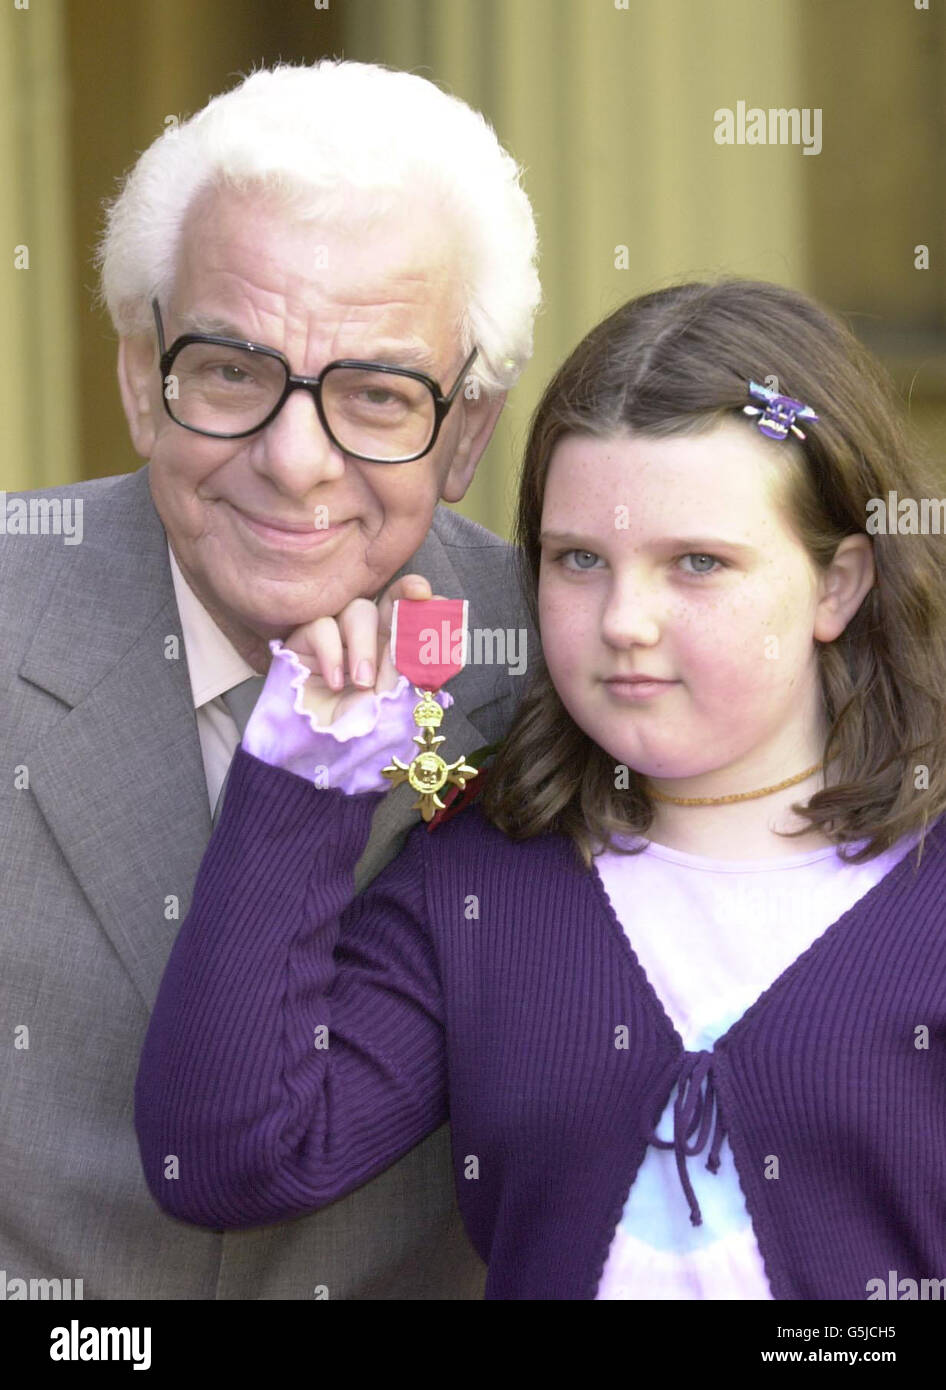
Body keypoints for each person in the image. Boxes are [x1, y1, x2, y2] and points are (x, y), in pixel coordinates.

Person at [135, 277, 946, 1300]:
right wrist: (303, 777)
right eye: (577, 560)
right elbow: (224, 1156)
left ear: (837, 584)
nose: (623, 620)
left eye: (695, 561)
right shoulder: (477, 873)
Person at [0, 60, 540, 1300]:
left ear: (463, 434)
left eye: (377, 393)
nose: (295, 463)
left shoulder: (558, 674)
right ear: (144, 379)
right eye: (233, 372)